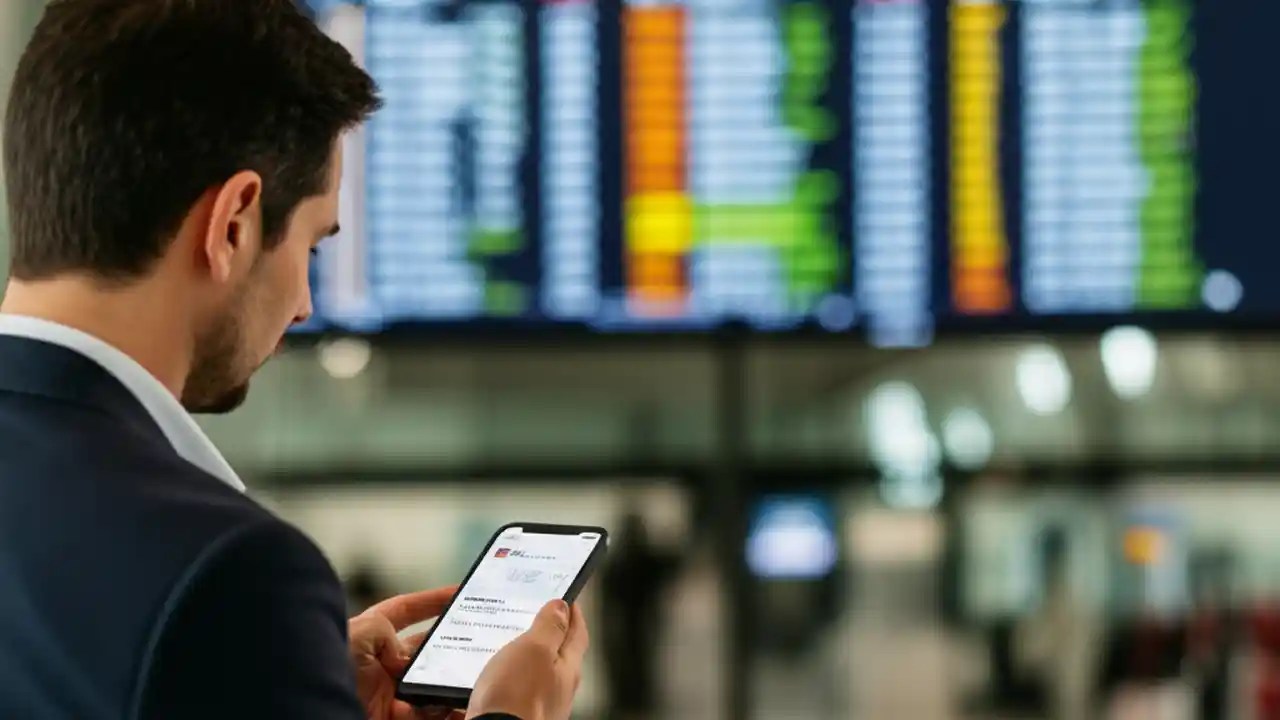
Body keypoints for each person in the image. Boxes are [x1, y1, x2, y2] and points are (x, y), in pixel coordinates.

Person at [0, 2, 588, 719]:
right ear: (235, 224)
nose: (306, 303)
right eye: (311, 245)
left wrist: (279, 683)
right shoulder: (230, 576)